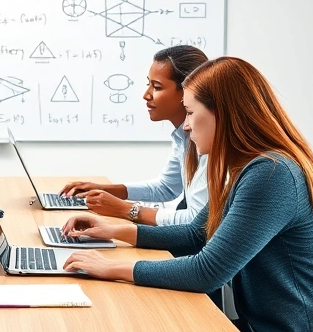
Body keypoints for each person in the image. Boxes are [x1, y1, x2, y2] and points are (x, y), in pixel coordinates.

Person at [62, 57, 313, 332]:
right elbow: (196, 234)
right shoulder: (248, 167)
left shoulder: (272, 174)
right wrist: (111, 231)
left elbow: (207, 272)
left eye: (190, 112)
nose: (185, 126)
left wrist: (111, 267)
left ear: (222, 114)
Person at [61, 46, 210, 226]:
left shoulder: (207, 145)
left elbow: (195, 221)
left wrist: (124, 210)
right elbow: (167, 187)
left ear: (186, 91)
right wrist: (103, 190)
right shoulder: (183, 137)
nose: (146, 95)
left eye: (156, 87)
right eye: (148, 84)